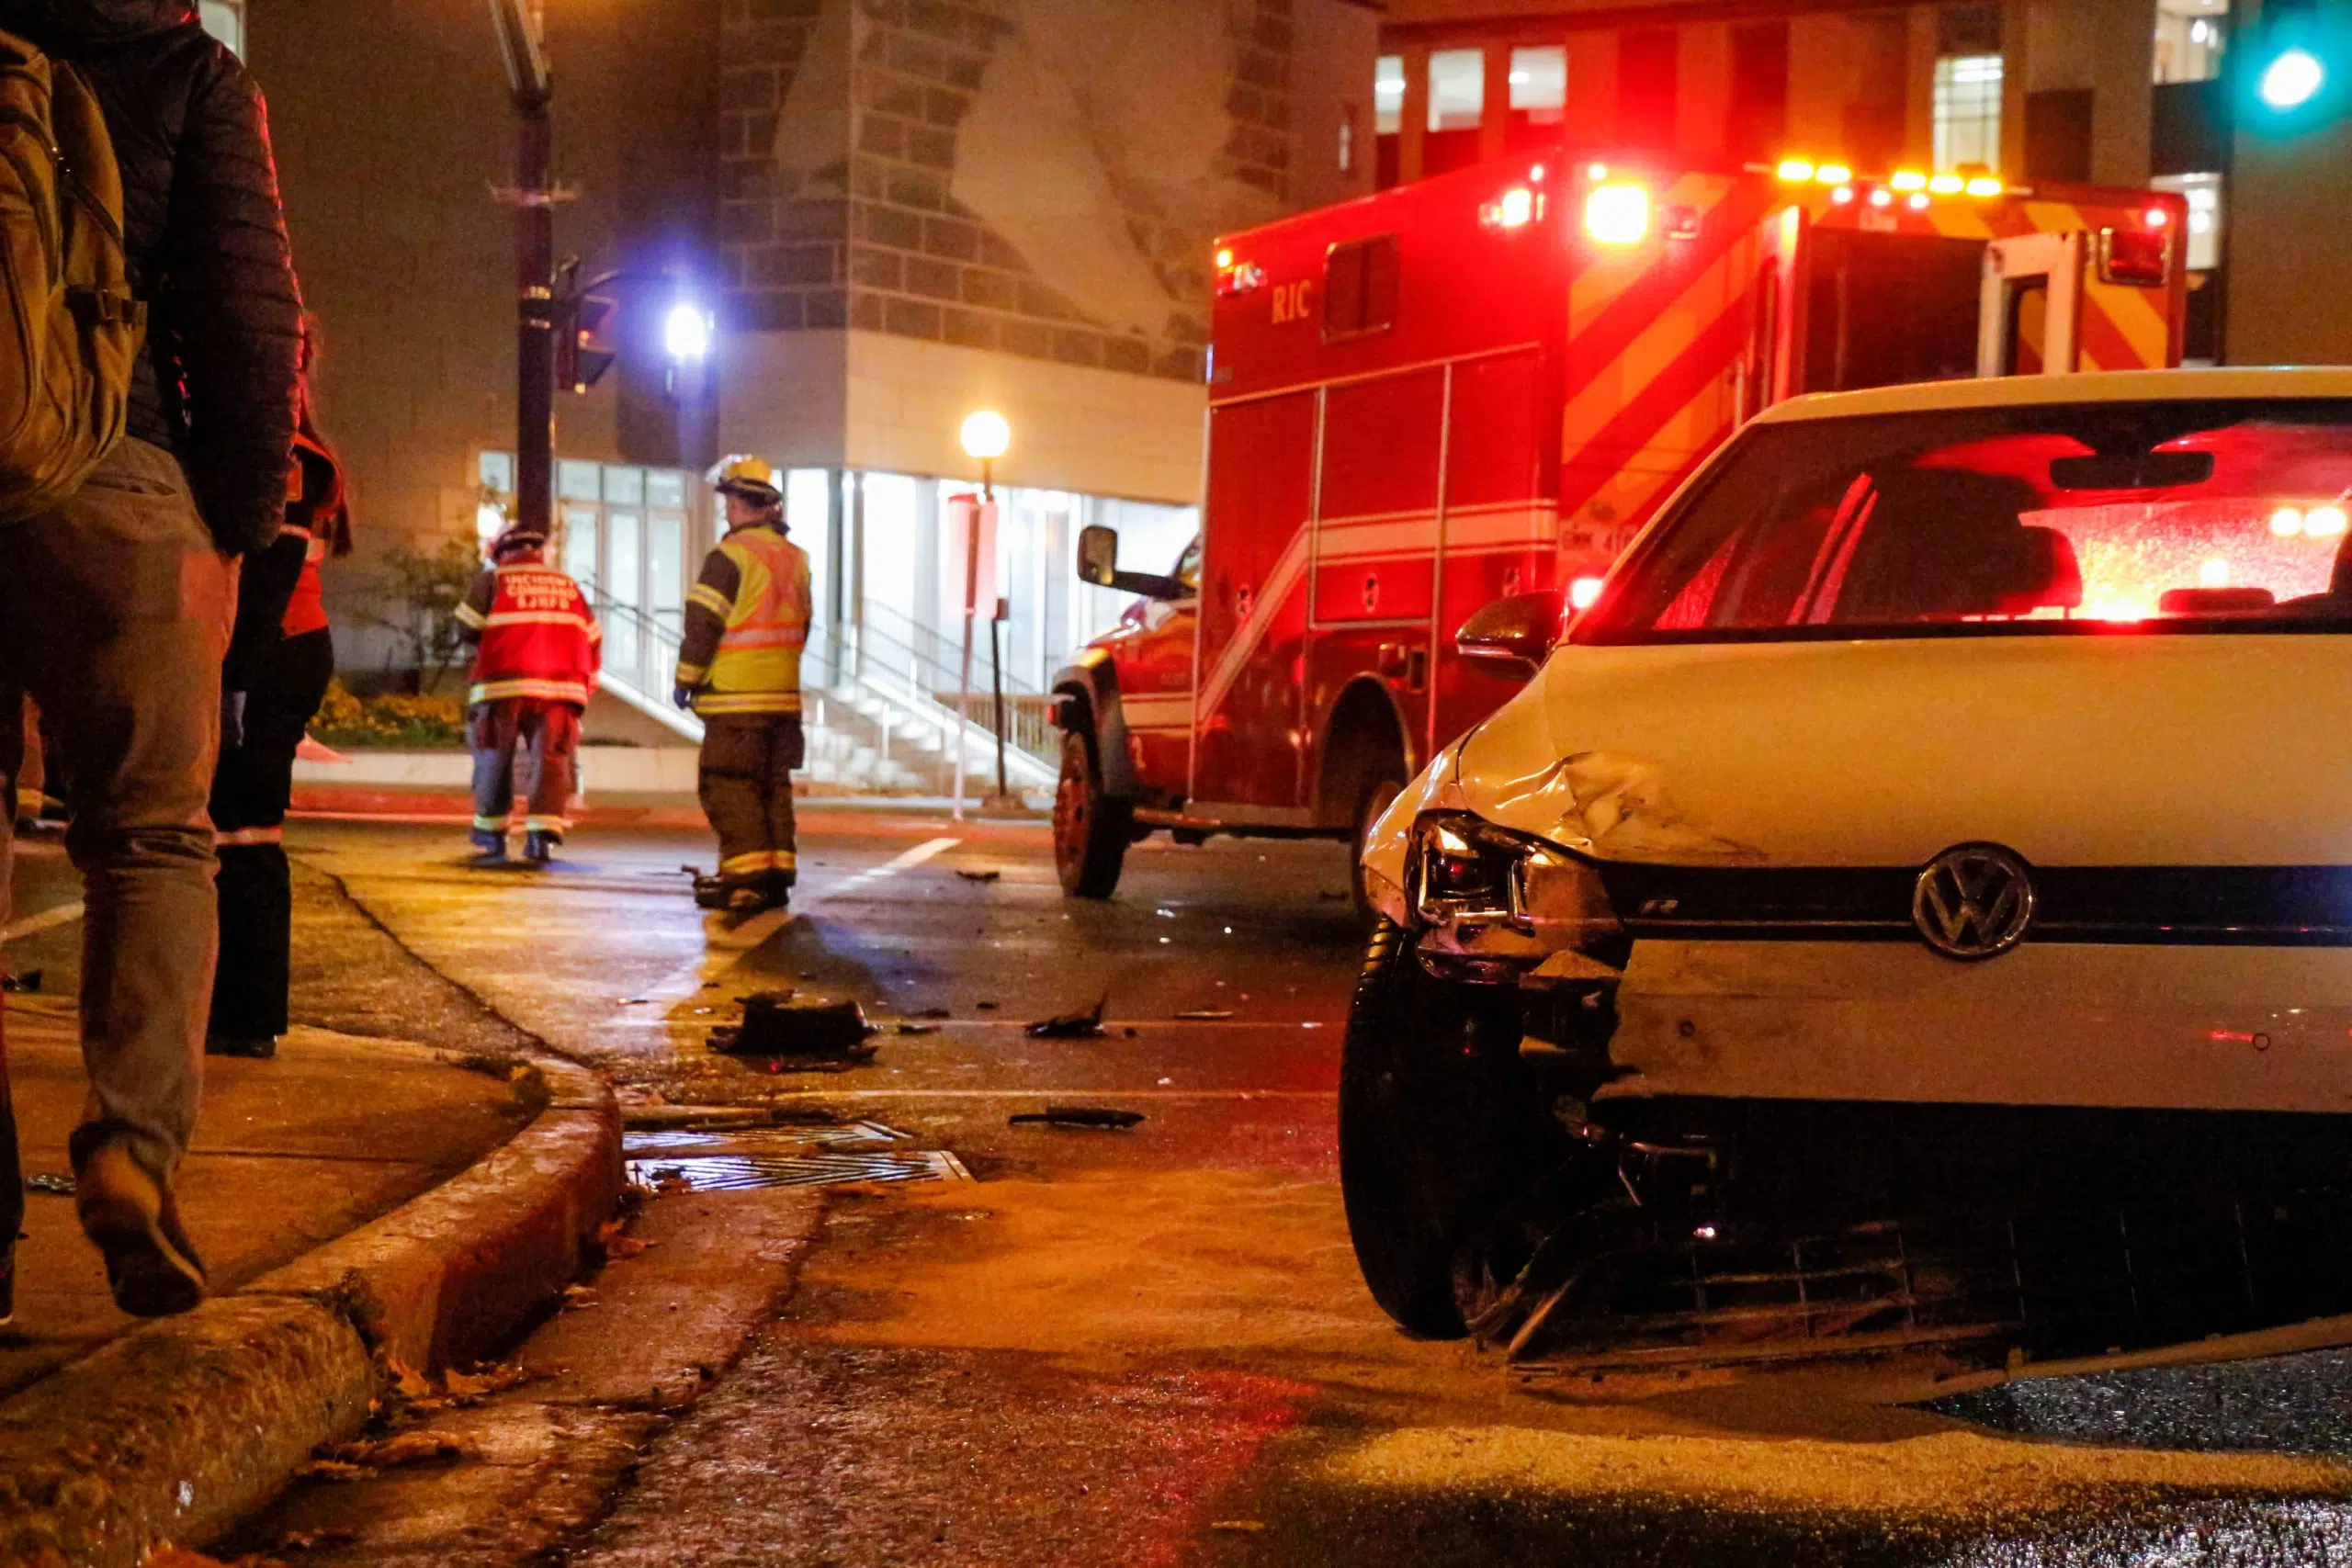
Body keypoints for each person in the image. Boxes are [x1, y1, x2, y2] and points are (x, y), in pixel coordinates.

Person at [0, 0, 304, 1324]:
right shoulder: (186, 66)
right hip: (116, 475)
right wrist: (237, 523)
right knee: (152, 839)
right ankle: (130, 1148)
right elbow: (249, 318)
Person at [205, 369, 349, 1060]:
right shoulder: (292, 447)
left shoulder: (287, 452)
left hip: (270, 650)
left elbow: (271, 571)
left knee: (244, 835)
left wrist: (236, 680)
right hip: (275, 648)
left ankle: (243, 1018)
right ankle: (235, 1015)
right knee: (234, 833)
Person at [674, 456, 812, 916]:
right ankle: (776, 877)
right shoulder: (796, 559)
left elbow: (703, 625)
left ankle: (746, 880)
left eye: (728, 503)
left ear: (735, 503)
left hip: (736, 699)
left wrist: (686, 679)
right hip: (783, 698)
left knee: (729, 785)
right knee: (773, 786)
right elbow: (804, 625)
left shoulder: (729, 556)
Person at [453, 526, 601, 864]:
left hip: (503, 684)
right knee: (551, 759)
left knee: (495, 755)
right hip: (562, 688)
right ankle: (541, 837)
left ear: (503, 553)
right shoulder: (568, 585)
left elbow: (466, 627)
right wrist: (586, 683)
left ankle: (492, 834)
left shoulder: (493, 580)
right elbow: (593, 637)